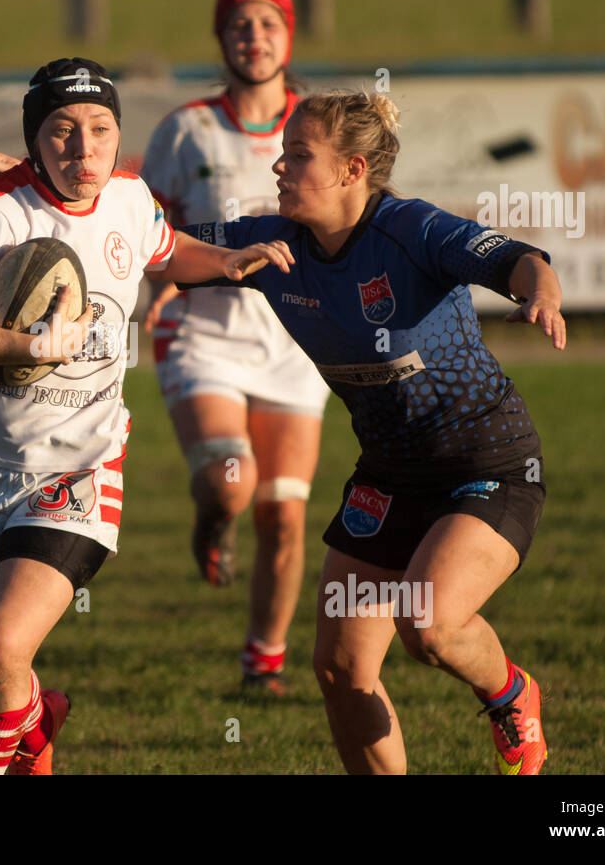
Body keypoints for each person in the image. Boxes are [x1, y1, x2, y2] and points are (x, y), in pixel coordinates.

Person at [0, 57, 293, 774]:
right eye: (61, 131)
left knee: (1, 651)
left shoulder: (129, 197)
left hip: (79, 472)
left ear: (119, 136)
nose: (82, 148)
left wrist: (231, 260)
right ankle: (35, 718)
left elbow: (167, 249)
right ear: (34, 139)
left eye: (99, 128)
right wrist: (28, 346)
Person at [182, 90, 563, 774]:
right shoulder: (276, 247)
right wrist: (49, 194)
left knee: (430, 624)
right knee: (339, 667)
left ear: (354, 169)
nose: (278, 167)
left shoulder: (410, 230)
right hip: (390, 475)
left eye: (299, 156)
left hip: (487, 464)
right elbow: (156, 245)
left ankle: (511, 692)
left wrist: (541, 291)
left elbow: (515, 258)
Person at [140, 0, 330, 695]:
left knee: (284, 514)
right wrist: (157, 284)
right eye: (240, 25)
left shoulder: (317, 127)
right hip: (204, 335)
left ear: (289, 36)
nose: (255, 37)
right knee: (232, 482)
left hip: (293, 345)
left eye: (268, 24)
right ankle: (212, 519)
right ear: (222, 40)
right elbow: (144, 223)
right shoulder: (187, 129)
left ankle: (263, 665)